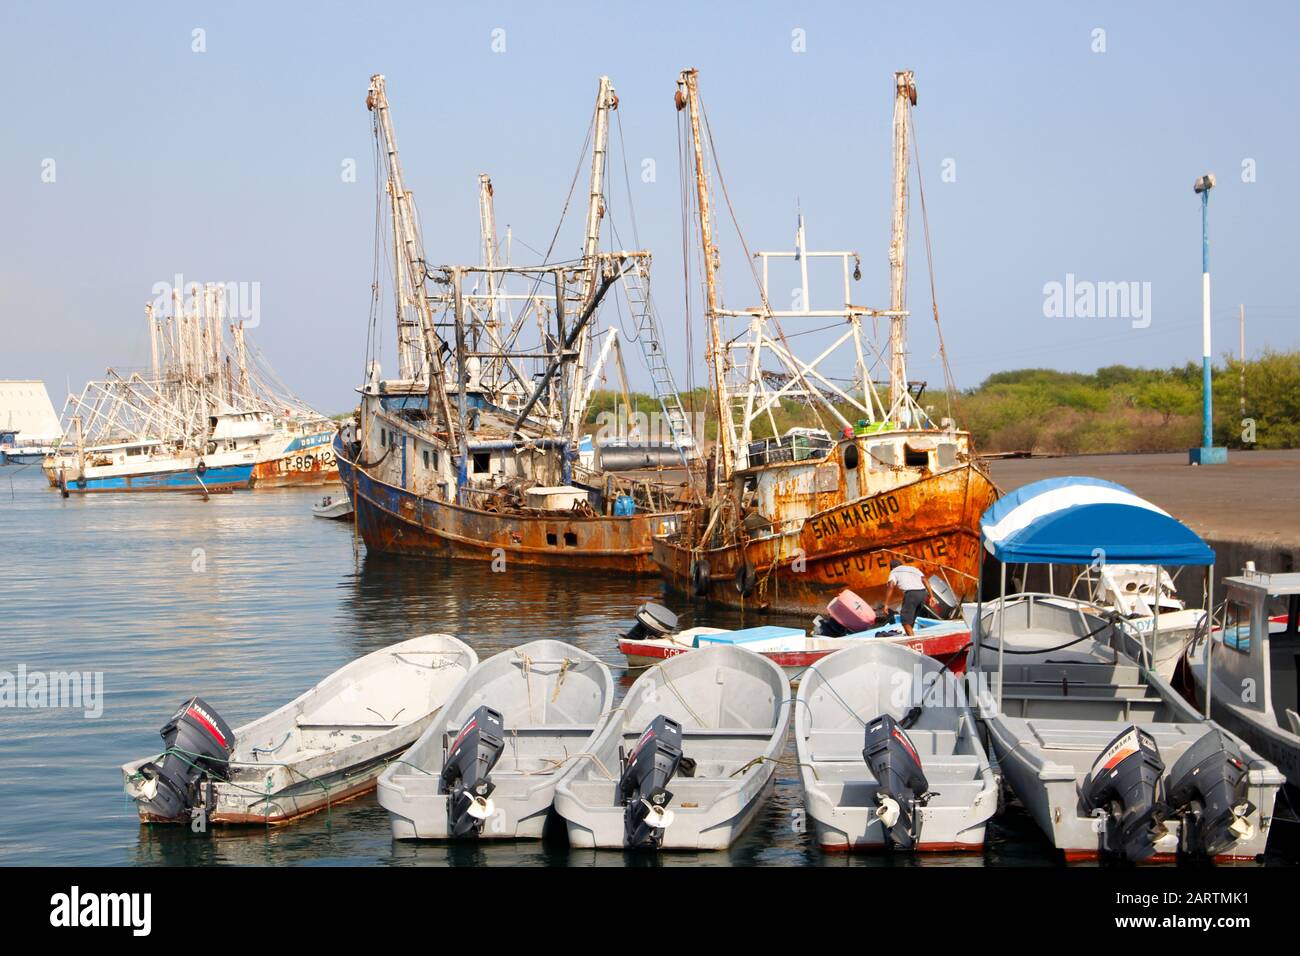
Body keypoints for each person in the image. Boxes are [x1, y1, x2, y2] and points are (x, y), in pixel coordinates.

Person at [882, 558, 930, 636]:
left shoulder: (894, 571)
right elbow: (925, 580)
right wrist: (931, 596)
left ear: (891, 567)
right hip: (923, 593)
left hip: (911, 594)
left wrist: (886, 604)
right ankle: (910, 635)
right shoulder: (913, 568)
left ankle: (913, 641)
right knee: (911, 620)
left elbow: (891, 585)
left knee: (905, 621)